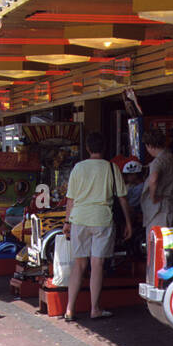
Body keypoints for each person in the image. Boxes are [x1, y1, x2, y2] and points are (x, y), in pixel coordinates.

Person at [61, 132, 129, 321]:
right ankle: (94, 309)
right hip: (102, 220)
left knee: (79, 264)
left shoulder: (78, 168)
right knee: (97, 264)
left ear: (88, 149)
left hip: (79, 219)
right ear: (104, 148)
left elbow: (70, 199)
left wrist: (67, 222)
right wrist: (129, 223)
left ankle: (69, 309)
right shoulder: (111, 167)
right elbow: (122, 199)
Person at [141, 129, 173, 233]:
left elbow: (154, 179)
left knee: (158, 244)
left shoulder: (158, 162)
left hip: (161, 209)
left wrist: (153, 197)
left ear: (150, 145)